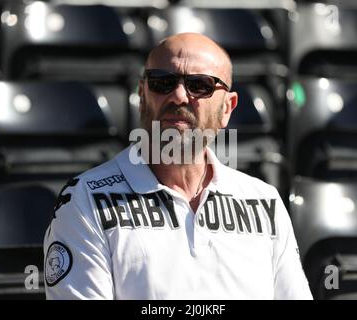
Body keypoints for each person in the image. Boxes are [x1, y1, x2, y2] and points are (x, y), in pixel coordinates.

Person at [43, 33, 313, 300]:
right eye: (163, 82)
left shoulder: (264, 201)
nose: (179, 96)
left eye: (200, 85)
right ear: (142, 94)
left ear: (227, 109)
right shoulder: (84, 199)